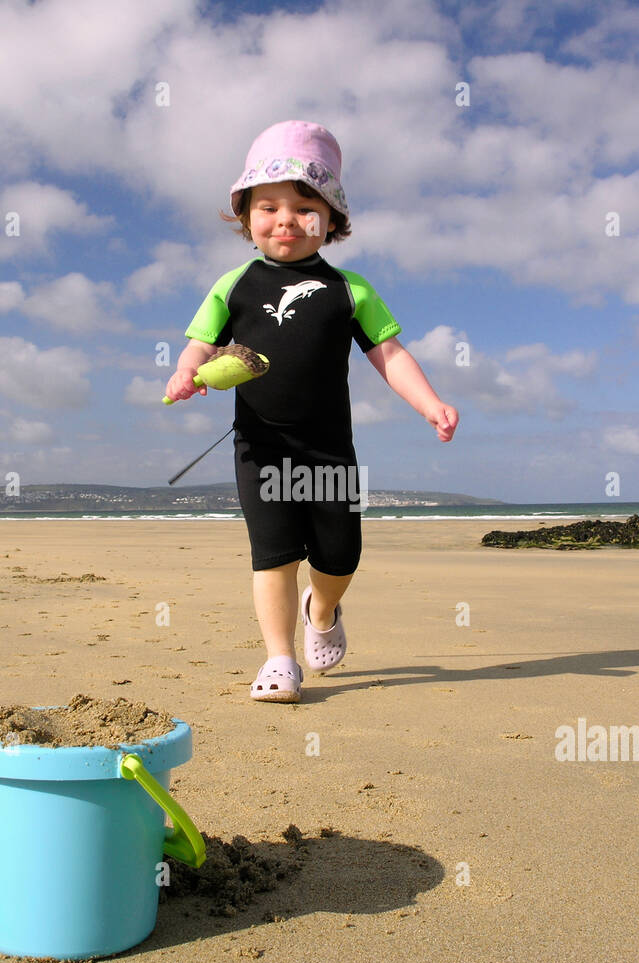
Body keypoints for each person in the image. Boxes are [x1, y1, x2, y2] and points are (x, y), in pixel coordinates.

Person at [165, 120, 458, 703]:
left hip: (328, 449)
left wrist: (430, 402)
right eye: (268, 206)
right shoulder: (234, 284)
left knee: (339, 555)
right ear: (246, 217)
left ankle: (321, 610)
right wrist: (184, 373)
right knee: (274, 555)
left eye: (305, 207)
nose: (285, 220)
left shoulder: (351, 290)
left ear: (332, 219)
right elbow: (200, 344)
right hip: (260, 445)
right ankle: (280, 659)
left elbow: (389, 354)